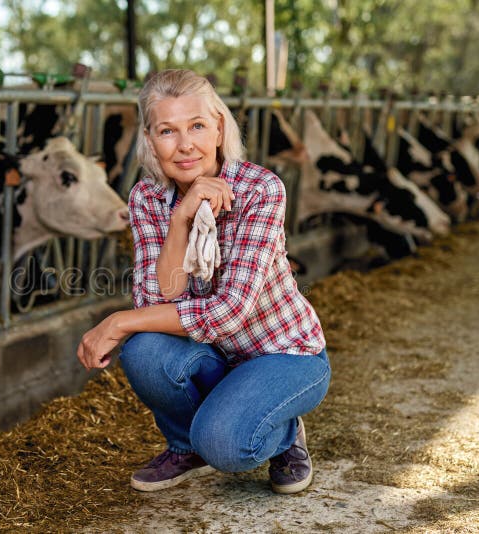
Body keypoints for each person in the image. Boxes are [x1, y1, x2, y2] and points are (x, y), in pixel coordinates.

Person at [76, 69, 330, 494]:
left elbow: (228, 313)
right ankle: (185, 446)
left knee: (226, 445)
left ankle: (285, 433)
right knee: (144, 351)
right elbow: (155, 301)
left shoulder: (261, 189)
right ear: (150, 139)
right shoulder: (146, 198)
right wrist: (180, 218)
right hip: (214, 355)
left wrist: (117, 322)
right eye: (167, 131)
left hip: (283, 353)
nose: (185, 144)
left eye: (196, 125)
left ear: (219, 127)